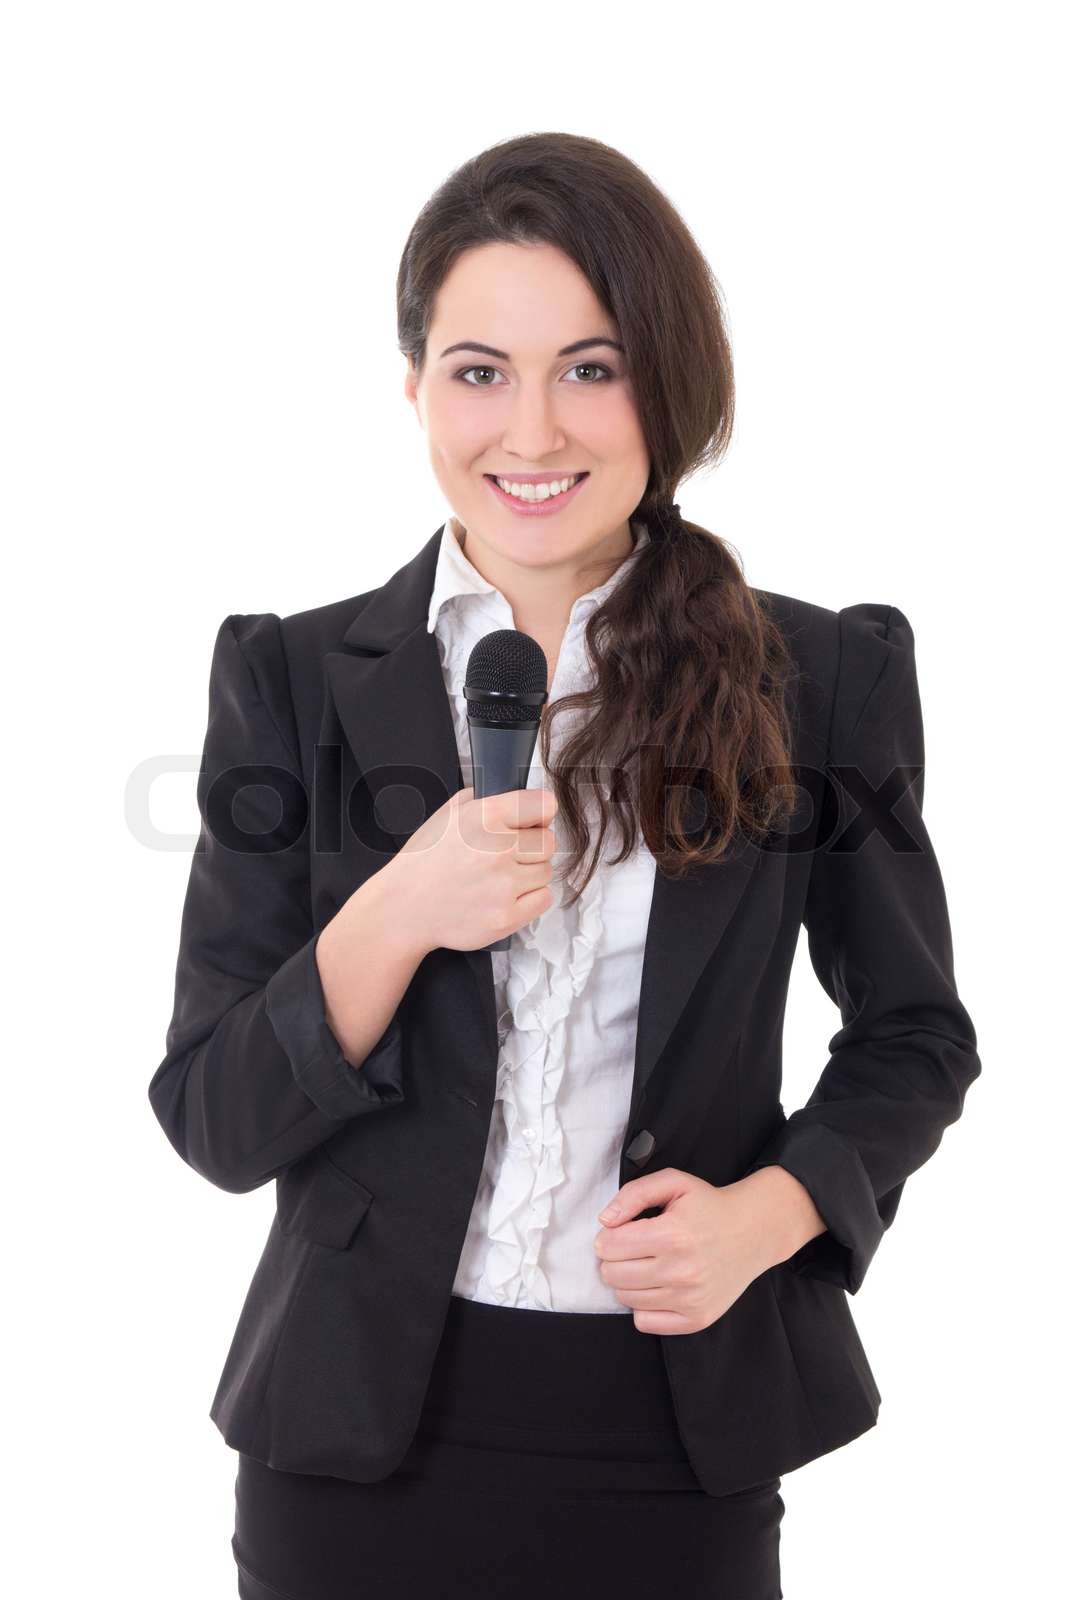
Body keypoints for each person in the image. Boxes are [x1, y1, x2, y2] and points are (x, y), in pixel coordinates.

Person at [148, 131, 982, 1600]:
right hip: (349, 1452)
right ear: (415, 391)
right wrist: (398, 913)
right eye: (480, 371)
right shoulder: (287, 678)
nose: (531, 431)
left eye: (590, 368)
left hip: (671, 1441)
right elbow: (215, 1118)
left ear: (670, 383)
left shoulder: (822, 678)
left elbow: (914, 1038)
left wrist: (770, 1216)